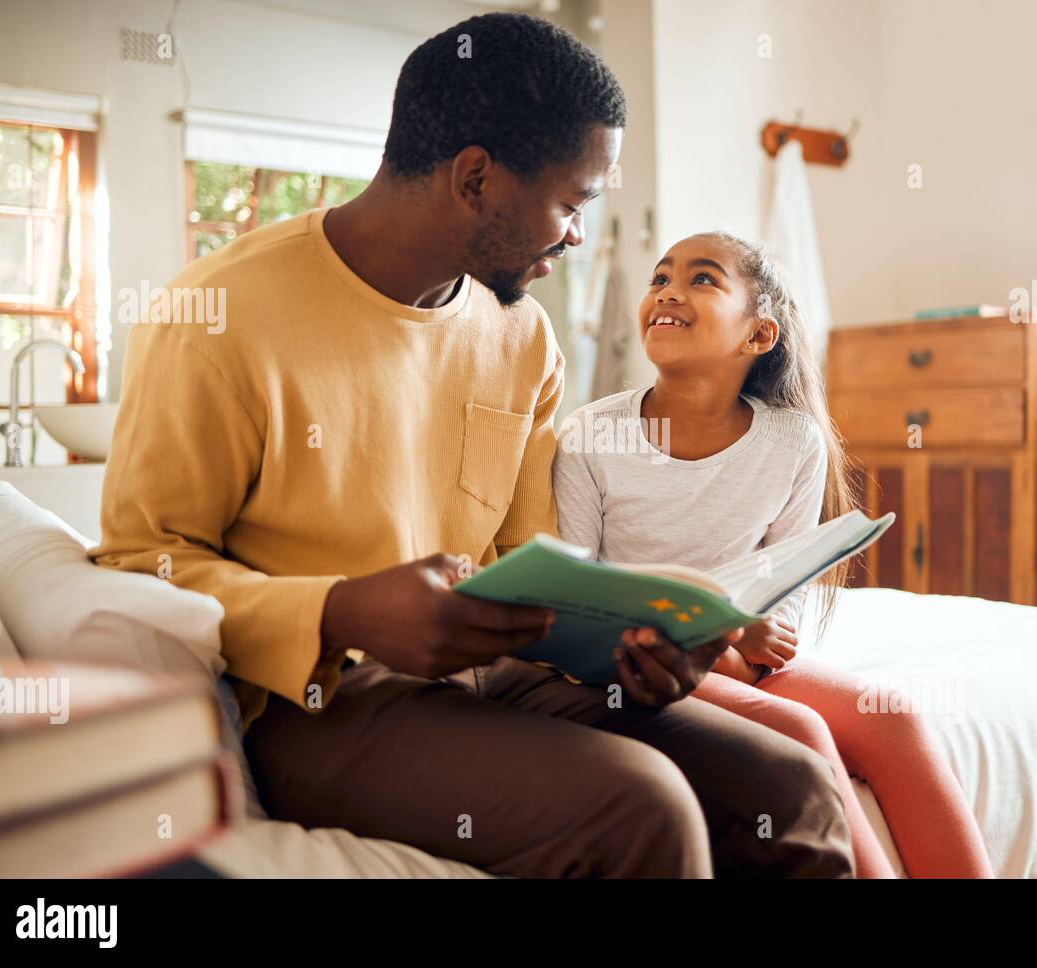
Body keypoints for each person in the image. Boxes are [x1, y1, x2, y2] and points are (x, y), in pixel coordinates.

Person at [93, 13, 854, 878]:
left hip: (500, 672)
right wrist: (340, 609)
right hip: (323, 701)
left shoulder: (523, 338)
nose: (577, 236)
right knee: (641, 807)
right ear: (477, 179)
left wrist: (625, 648)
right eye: (572, 204)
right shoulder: (218, 316)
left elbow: (531, 559)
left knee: (790, 785)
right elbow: (140, 564)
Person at [554, 231, 994, 877]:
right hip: (641, 661)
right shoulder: (591, 434)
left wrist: (738, 641)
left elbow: (778, 604)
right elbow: (575, 594)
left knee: (894, 717)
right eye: (660, 277)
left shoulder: (793, 442)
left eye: (702, 279)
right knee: (800, 732)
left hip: (736, 655)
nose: (668, 291)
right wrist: (726, 633)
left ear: (758, 336)